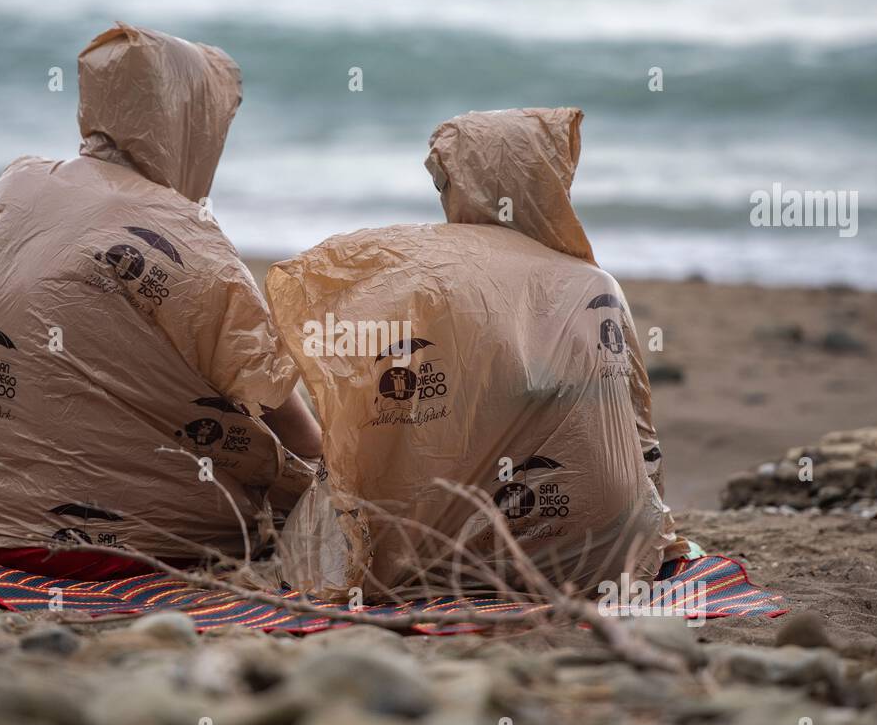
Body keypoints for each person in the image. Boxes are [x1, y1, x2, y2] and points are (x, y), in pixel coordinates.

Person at [0, 23, 319, 579]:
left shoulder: (16, 186)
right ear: (188, 125)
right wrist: (331, 468)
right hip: (143, 545)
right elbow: (273, 398)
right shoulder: (184, 234)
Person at [268, 107, 684, 599]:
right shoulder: (597, 284)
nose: (443, 198)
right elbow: (642, 441)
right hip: (607, 554)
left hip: (447, 561)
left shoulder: (425, 275)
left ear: (467, 186)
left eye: (446, 185)